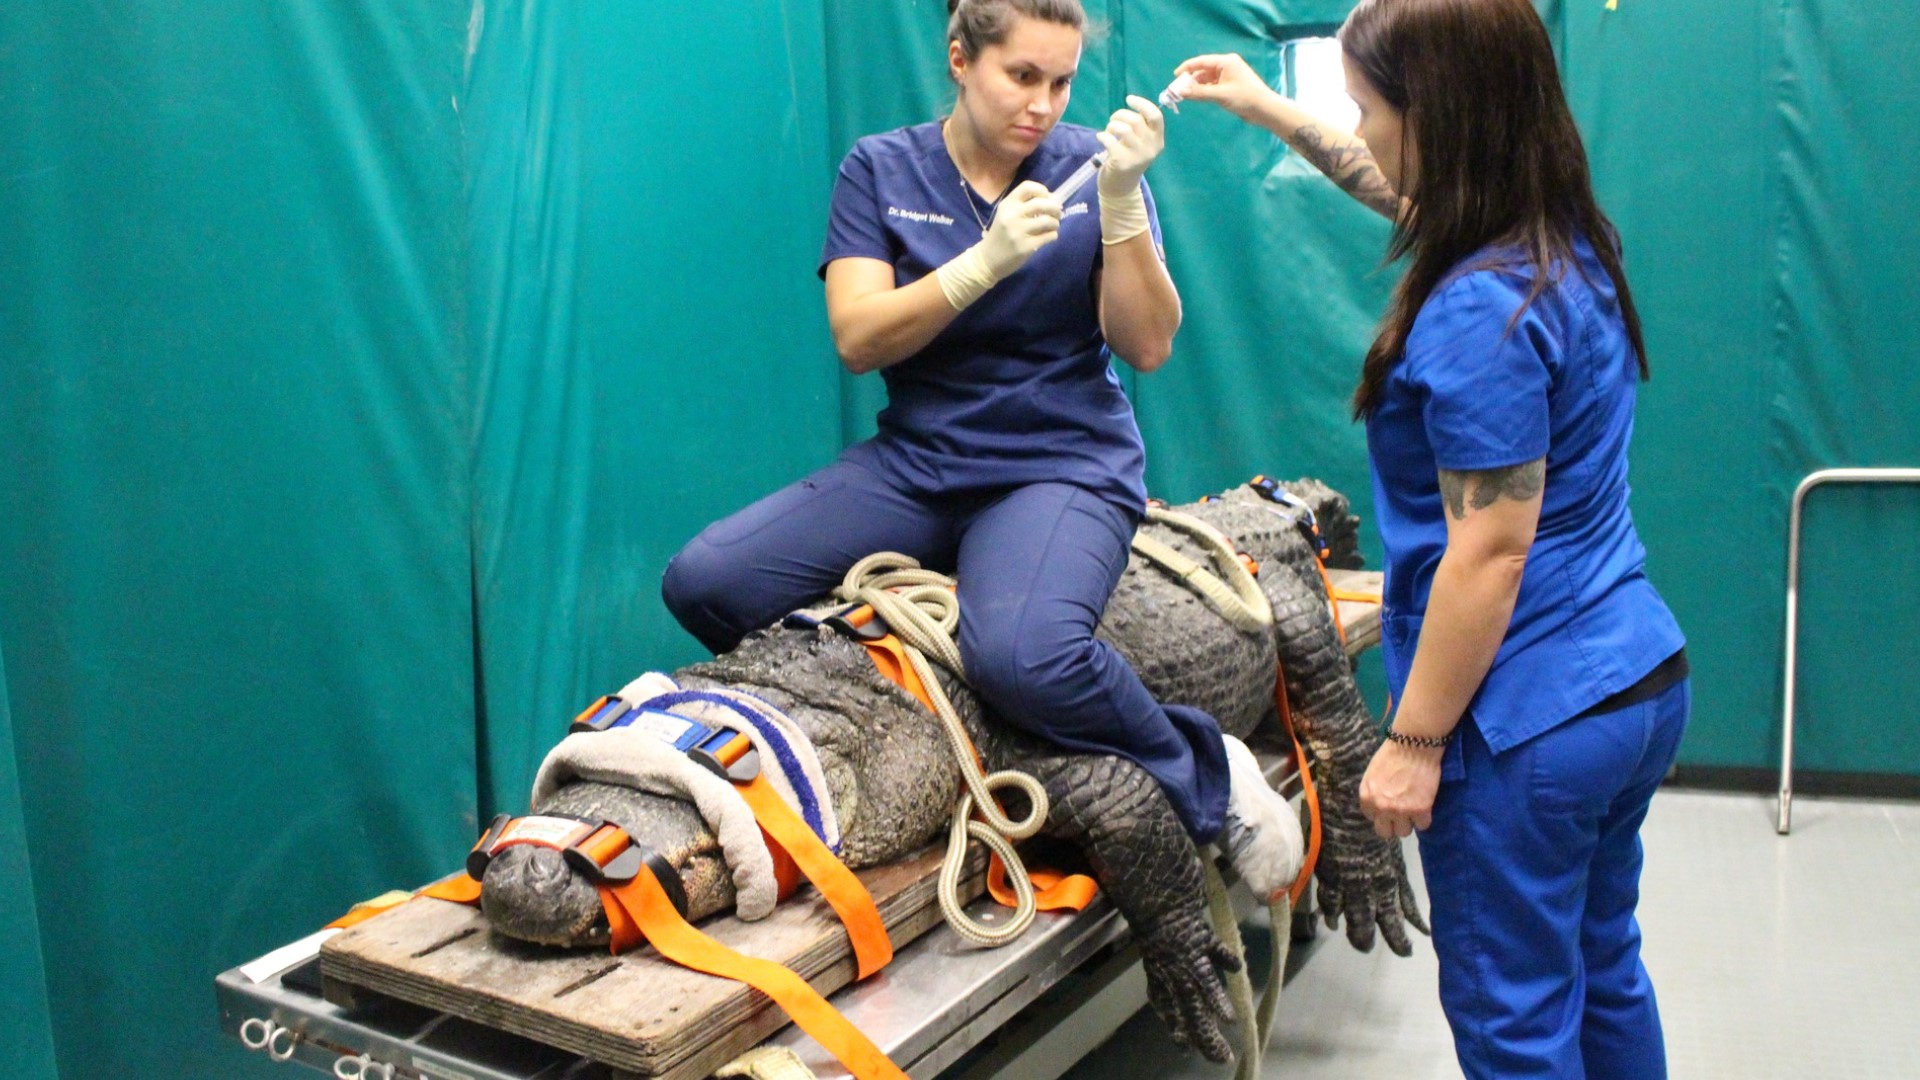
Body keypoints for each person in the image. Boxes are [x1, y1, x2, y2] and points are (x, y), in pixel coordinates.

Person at [662, 0, 1302, 902]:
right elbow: (858, 336)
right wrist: (981, 264)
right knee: (706, 580)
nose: (1042, 102)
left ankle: (1206, 768)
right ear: (961, 58)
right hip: (921, 464)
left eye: (1062, 80)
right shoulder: (880, 168)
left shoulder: (1093, 166)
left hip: (1063, 466)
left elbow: (1149, 344)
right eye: (1021, 76)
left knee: (1023, 656)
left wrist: (1119, 206)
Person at [1176, 1, 1690, 1077]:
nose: (1358, 133)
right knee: (1603, 966)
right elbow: (1400, 192)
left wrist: (1410, 744)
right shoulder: (1566, 239)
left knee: (1514, 1018)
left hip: (1525, 720)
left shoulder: (1476, 316)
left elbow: (1490, 553)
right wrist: (1271, 108)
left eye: (1368, 109)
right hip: (1631, 681)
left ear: (1441, 116)